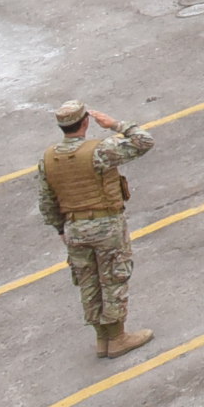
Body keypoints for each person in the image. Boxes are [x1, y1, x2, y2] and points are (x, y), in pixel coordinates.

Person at [38, 100, 157, 359]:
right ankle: (117, 338)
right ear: (86, 122)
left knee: (88, 281)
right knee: (113, 277)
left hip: (73, 228)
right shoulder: (100, 150)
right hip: (106, 224)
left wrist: (61, 228)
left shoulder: (49, 158)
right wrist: (114, 124)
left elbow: (46, 201)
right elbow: (144, 141)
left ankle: (102, 338)